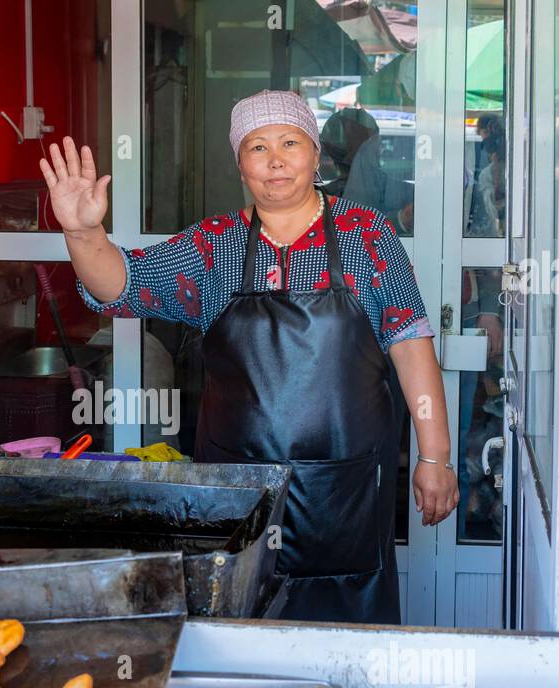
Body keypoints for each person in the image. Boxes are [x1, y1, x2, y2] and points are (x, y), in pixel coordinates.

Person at [39, 89, 458, 626]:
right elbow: (123, 285)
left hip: (344, 490)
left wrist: (435, 456)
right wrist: (82, 230)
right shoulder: (216, 244)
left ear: (315, 153)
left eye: (290, 142)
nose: (276, 159)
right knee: (239, 618)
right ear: (240, 164)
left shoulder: (366, 233)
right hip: (235, 491)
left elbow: (411, 344)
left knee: (346, 632)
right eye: (257, 147)